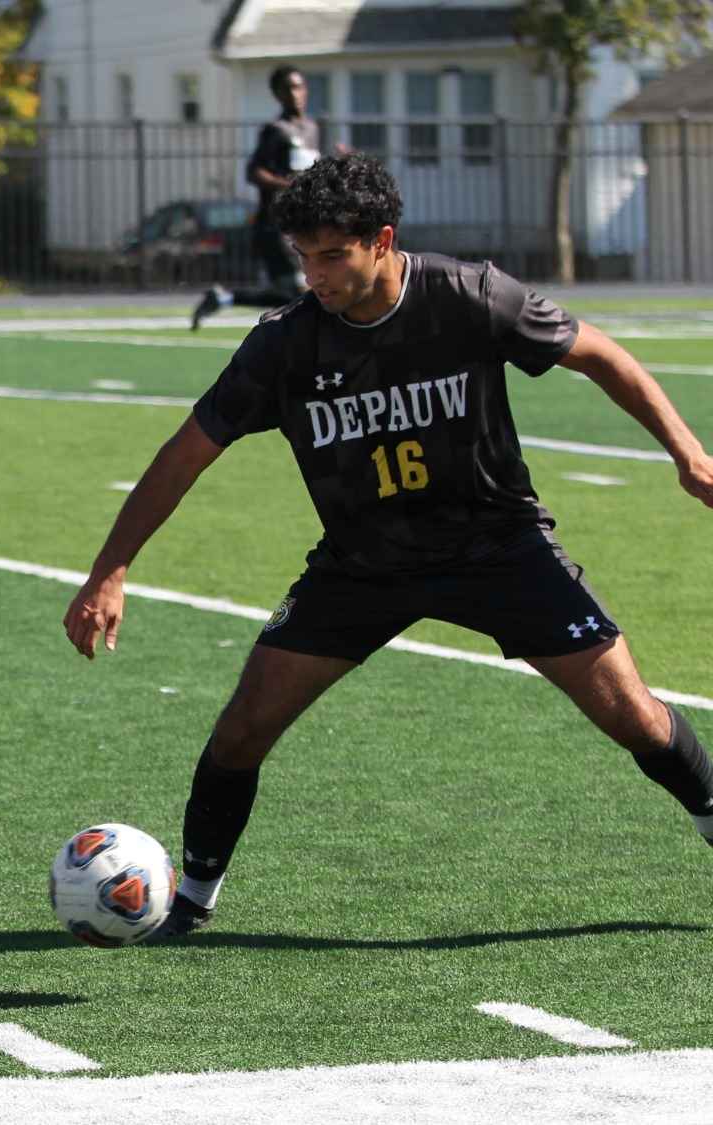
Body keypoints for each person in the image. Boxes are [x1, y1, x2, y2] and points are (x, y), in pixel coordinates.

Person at [66, 152, 713, 940]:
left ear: (382, 240)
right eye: (303, 257)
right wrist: (111, 568)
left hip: (498, 549)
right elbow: (184, 453)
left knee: (635, 719)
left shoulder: (470, 297)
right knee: (242, 730)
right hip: (362, 566)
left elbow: (600, 355)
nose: (315, 275)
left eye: (332, 255)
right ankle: (194, 899)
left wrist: (686, 450)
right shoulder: (284, 344)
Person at [191, 65, 325, 330]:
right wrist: (288, 185)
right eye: (286, 88)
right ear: (277, 94)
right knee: (302, 293)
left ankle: (224, 297)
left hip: (302, 224)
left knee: (303, 293)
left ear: (306, 89)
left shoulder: (312, 129)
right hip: (276, 225)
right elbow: (253, 172)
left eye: (298, 86)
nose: (294, 93)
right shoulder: (276, 130)